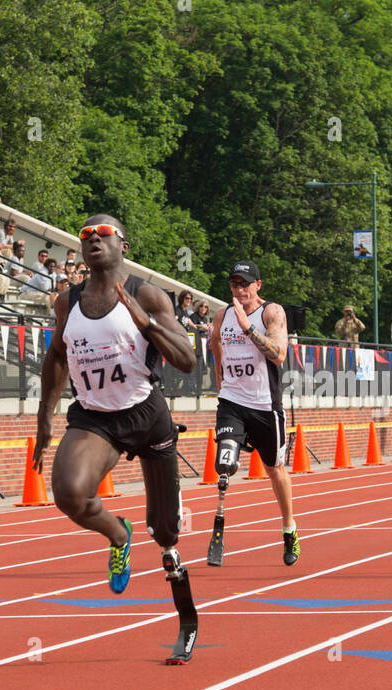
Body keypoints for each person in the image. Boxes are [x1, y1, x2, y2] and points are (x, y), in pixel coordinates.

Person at [33, 215, 200, 664]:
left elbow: (186, 360)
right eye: (85, 235)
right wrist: (44, 420)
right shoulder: (66, 303)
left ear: (123, 244)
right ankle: (117, 534)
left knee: (165, 531)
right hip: (96, 418)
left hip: (147, 415)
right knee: (68, 493)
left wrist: (146, 323)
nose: (93, 240)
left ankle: (181, 599)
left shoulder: (148, 294)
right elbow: (55, 358)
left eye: (103, 234)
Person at [206, 259, 301, 567]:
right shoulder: (222, 314)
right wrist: (221, 381)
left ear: (258, 285)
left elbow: (279, 355)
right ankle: (219, 526)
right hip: (232, 401)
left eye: (245, 283)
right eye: (235, 284)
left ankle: (289, 527)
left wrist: (247, 329)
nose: (240, 289)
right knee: (227, 461)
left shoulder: (271, 313)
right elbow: (215, 342)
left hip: (265, 406)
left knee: (275, 469)